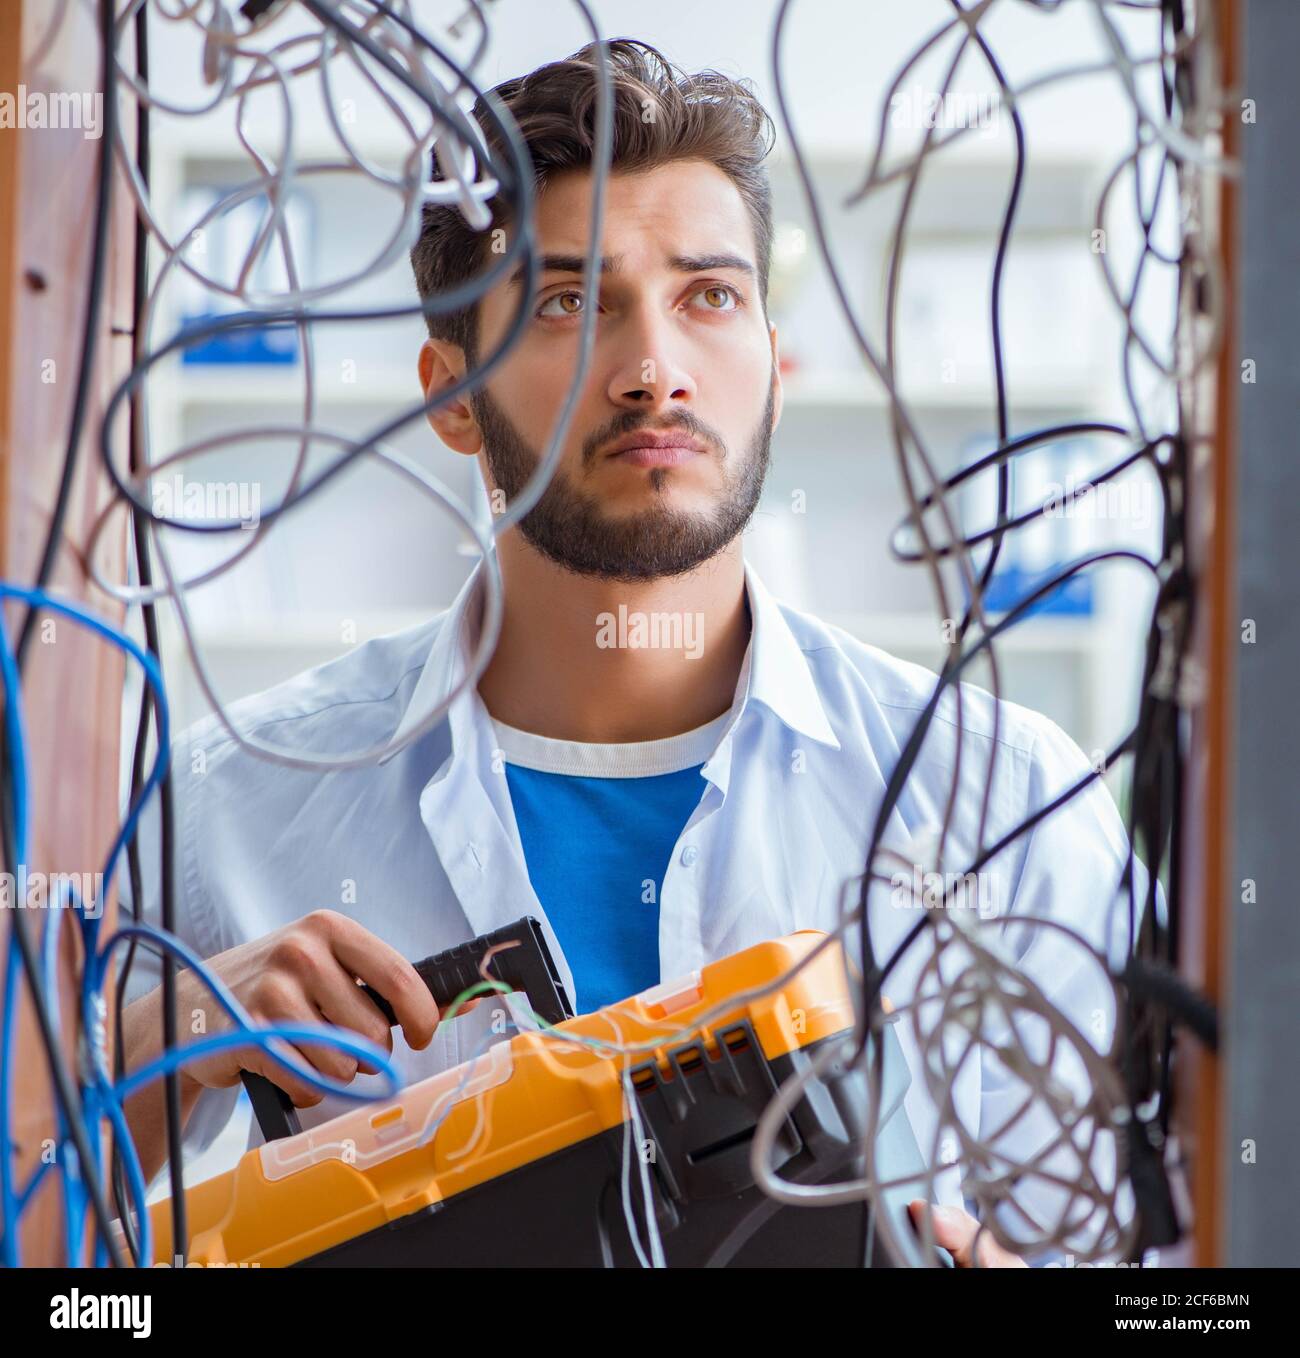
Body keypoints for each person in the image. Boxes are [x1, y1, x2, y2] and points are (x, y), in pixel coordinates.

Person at [122, 38, 1151, 1267]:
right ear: (449, 392)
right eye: (569, 301)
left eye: (709, 295)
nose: (653, 370)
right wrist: (161, 1037)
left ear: (773, 367)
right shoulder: (228, 809)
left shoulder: (1014, 809)